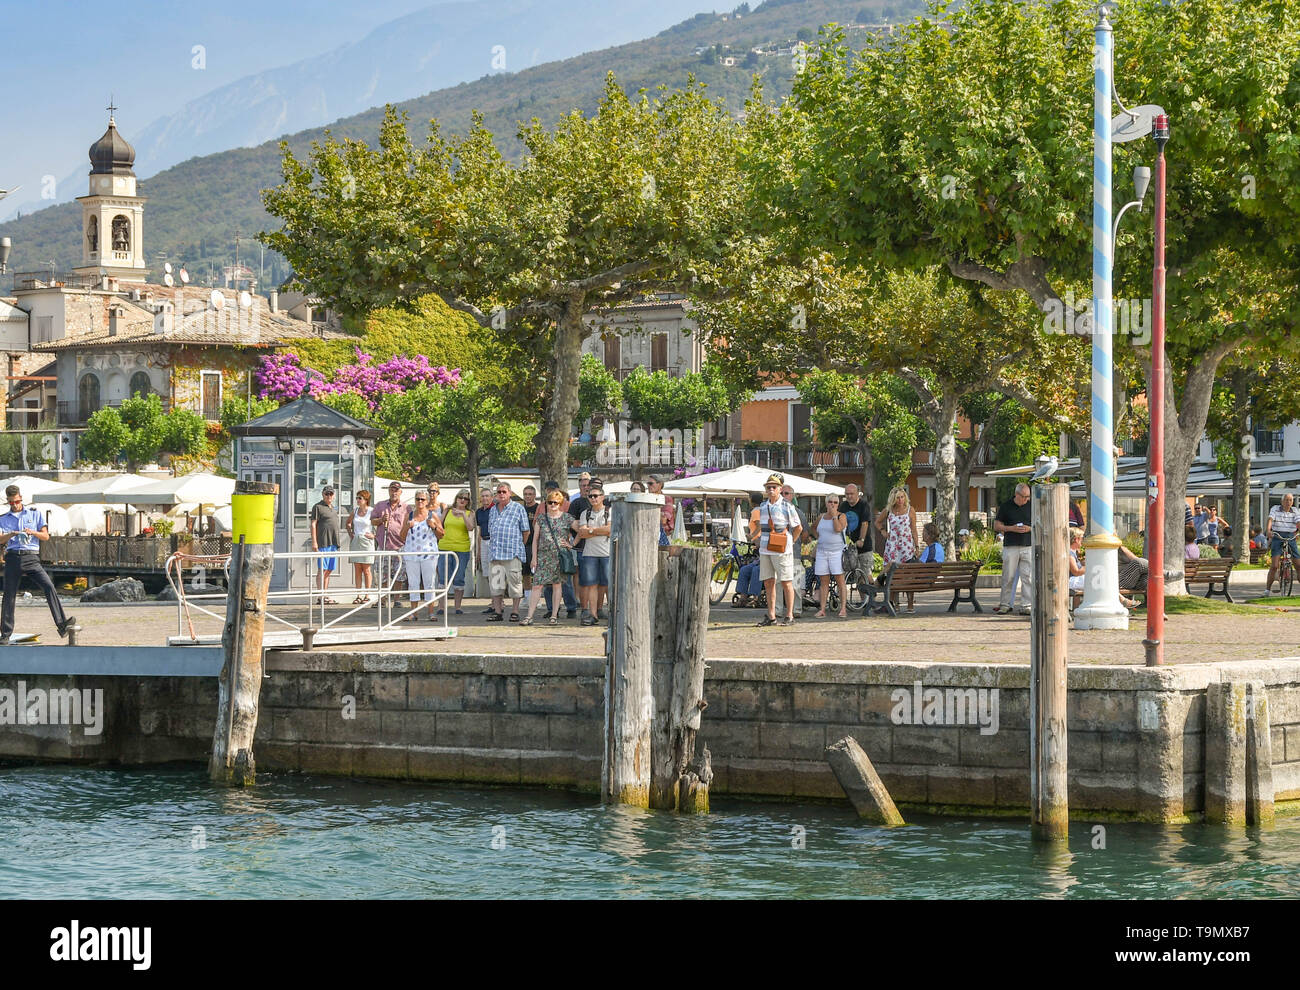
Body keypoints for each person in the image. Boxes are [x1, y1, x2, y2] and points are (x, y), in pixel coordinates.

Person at [1, 485, 75, 645]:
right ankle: (5, 634)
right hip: (13, 558)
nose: (15, 505)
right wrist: (11, 534)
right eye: (12, 503)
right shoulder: (3, 519)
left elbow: (45, 536)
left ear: (21, 498)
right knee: (9, 595)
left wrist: (32, 532)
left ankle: (62, 624)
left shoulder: (35, 514)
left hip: (31, 558)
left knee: (48, 586)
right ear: (8, 501)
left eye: (17, 501)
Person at [749, 473, 801, 627]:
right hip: (765, 549)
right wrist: (754, 536)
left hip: (782, 549)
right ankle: (771, 616)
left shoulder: (787, 506)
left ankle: (789, 615)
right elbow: (760, 525)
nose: (771, 490)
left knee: (786, 581)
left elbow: (798, 527)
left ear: (779, 489)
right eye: (768, 487)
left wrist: (790, 542)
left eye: (774, 487)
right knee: (768, 582)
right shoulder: (763, 506)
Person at [522, 490, 576, 625]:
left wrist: (572, 544)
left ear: (560, 504)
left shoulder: (567, 518)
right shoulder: (541, 518)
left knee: (557, 585)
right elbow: (535, 540)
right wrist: (534, 557)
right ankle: (529, 616)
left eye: (555, 502)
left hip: (559, 556)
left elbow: (581, 529)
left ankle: (554, 616)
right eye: (550, 502)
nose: (552, 505)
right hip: (543, 556)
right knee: (537, 585)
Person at [485, 482, 530, 621]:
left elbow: (526, 531)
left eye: (504, 492)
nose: (501, 494)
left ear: (510, 493)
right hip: (495, 553)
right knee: (496, 585)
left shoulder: (518, 508)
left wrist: (518, 545)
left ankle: (515, 612)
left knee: (515, 584)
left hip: (512, 553)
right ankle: (498, 612)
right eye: (499, 492)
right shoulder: (492, 510)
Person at [399, 490, 443, 620]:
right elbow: (401, 536)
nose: (420, 502)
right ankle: (413, 613)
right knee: (413, 583)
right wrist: (407, 527)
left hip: (428, 554)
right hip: (412, 554)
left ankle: (430, 612)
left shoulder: (432, 515)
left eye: (422, 499)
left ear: (427, 501)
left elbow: (442, 534)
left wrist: (433, 526)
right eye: (417, 499)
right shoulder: (410, 515)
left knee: (429, 583)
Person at [875, 486, 919, 614]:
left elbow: (914, 529)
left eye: (902, 497)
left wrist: (916, 546)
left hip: (906, 546)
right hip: (892, 546)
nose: (900, 500)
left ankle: (910, 605)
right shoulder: (889, 510)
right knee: (892, 575)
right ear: (893, 499)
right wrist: (883, 531)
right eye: (897, 498)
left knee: (908, 575)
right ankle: (894, 603)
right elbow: (877, 522)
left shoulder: (910, 510)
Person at [573, 481, 612, 625]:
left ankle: (612, 613)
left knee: (609, 584)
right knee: (591, 584)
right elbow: (582, 533)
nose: (593, 498)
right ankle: (593, 614)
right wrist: (598, 531)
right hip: (589, 553)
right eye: (590, 496)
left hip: (607, 553)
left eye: (595, 496)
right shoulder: (585, 513)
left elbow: (610, 530)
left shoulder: (609, 511)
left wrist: (591, 530)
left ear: (602, 497)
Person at [993, 483, 1033, 615]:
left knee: (1028, 577)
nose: (1026, 499)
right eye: (1024, 497)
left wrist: (1030, 528)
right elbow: (997, 526)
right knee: (1008, 576)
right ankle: (1005, 604)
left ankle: (1027, 605)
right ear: (1017, 495)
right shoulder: (1006, 506)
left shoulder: (1032, 506)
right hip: (1011, 546)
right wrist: (1011, 528)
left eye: (1028, 497)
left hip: (1028, 545)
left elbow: (1040, 524)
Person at [370, 482, 410, 607]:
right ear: (389, 491)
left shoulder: (406, 507)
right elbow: (372, 521)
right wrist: (381, 520)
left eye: (397, 490)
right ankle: (382, 599)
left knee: (399, 574)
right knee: (383, 574)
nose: (394, 492)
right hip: (383, 545)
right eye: (392, 490)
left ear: (400, 492)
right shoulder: (380, 505)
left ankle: (397, 600)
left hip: (399, 545)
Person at [436, 491, 474, 615]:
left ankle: (458, 607)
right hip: (445, 547)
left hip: (462, 549)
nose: (462, 500)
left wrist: (463, 514)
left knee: (459, 577)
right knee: (443, 577)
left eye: (466, 499)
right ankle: (441, 607)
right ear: (456, 498)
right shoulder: (447, 510)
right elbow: (439, 525)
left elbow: (470, 527)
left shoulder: (470, 513)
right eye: (460, 497)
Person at [811, 494, 848, 619]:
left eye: (835, 502)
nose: (833, 504)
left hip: (837, 552)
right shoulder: (821, 517)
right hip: (822, 552)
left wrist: (834, 517)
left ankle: (843, 608)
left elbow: (838, 529)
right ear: (826, 503)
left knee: (840, 580)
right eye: (830, 502)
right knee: (823, 581)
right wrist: (818, 537)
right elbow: (813, 527)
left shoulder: (841, 516)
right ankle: (822, 609)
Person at [778, 483, 806, 618]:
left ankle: (797, 609)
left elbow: (804, 533)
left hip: (794, 551)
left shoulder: (799, 512)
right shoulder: (774, 510)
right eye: (782, 493)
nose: (784, 496)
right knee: (778, 582)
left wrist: (792, 541)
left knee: (795, 581)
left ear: (792, 496)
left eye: (786, 493)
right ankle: (777, 610)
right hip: (777, 551)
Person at [310, 486, 341, 603]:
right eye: (327, 494)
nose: (329, 496)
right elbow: (313, 524)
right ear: (323, 494)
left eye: (331, 494)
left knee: (329, 569)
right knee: (322, 569)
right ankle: (320, 595)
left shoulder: (333, 508)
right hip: (323, 542)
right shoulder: (317, 507)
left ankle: (325, 594)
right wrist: (314, 542)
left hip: (333, 542)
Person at [1266, 493, 1299, 595]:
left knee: (1298, 565)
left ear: (1292, 502)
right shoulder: (1275, 508)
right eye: (1286, 500)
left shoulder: (1296, 511)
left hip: (1290, 536)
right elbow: (1270, 519)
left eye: (1290, 500)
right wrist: (1268, 530)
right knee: (1275, 566)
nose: (1288, 502)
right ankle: (1267, 590)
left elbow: (1298, 522)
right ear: (1282, 501)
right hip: (1277, 536)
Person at [346, 489, 375, 604]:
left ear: (366, 500)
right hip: (356, 540)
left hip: (367, 541)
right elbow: (348, 523)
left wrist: (374, 535)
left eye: (360, 498)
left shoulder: (371, 511)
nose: (358, 500)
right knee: (357, 568)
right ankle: (358, 594)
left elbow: (379, 523)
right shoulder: (355, 510)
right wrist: (351, 533)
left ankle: (367, 595)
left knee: (366, 569)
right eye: (357, 498)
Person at [475, 489, 495, 611]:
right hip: (483, 541)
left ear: (492, 497)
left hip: (493, 541)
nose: (485, 498)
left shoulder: (496, 509)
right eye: (483, 496)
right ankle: (494, 601)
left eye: (487, 496)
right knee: (487, 573)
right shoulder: (479, 512)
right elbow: (479, 531)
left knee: (495, 572)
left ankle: (498, 602)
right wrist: (478, 550)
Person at [520, 485, 540, 597]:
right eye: (525, 494)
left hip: (536, 544)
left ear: (534, 495)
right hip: (523, 544)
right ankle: (527, 597)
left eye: (530, 494)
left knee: (536, 572)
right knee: (525, 572)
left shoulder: (538, 508)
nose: (527, 496)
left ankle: (536, 597)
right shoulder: (520, 509)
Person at [841, 483, 872, 553]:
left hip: (863, 547)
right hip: (847, 547)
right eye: (847, 494)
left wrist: (861, 540)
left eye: (852, 494)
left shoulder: (864, 505)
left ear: (857, 494)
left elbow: (865, 523)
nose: (849, 496)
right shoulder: (843, 505)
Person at [647, 475, 673, 546]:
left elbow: (663, 520)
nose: (648, 486)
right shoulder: (646, 499)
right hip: (648, 536)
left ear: (660, 484)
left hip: (663, 536)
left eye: (651, 483)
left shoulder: (667, 499)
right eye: (647, 484)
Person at [1067, 526, 1086, 608]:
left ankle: (1077, 609)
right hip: (1071, 581)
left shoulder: (1073, 552)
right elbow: (1076, 572)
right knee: (1098, 581)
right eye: (1081, 538)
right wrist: (1088, 567)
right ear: (1076, 539)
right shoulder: (1070, 553)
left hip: (1074, 580)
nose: (1082, 541)